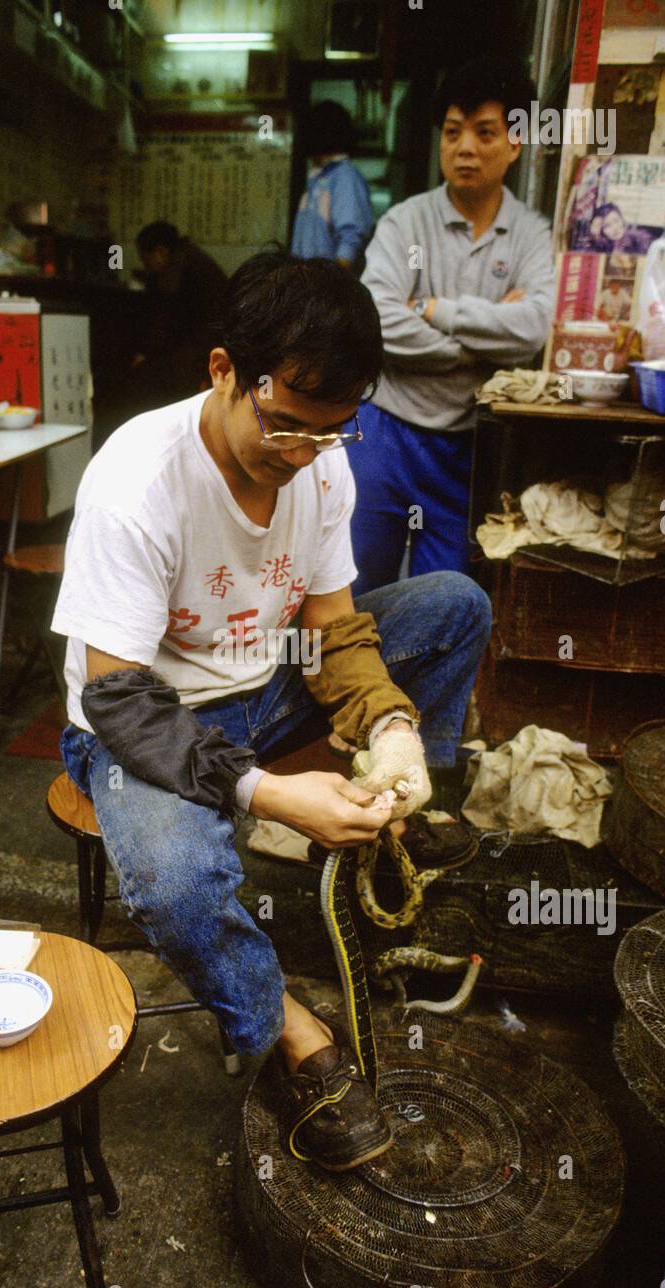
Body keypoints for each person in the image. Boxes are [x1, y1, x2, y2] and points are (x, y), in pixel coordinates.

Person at [51, 252, 491, 1172]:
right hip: (149, 718)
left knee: (453, 604)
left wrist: (390, 726)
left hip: (271, 683)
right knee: (172, 880)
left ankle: (404, 813)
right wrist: (270, 797)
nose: (303, 456)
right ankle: (287, 1029)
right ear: (224, 371)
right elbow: (115, 694)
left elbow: (333, 630)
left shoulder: (324, 465)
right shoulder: (136, 483)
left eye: (330, 434)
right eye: (286, 426)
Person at [348, 57, 555, 587]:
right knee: (354, 589)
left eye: (485, 132)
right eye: (453, 132)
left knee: (448, 595)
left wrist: (435, 309)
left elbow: (532, 328)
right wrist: (479, 347)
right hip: (383, 434)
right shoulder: (404, 222)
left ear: (515, 143)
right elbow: (376, 320)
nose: (465, 148)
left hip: (468, 444)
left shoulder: (531, 234)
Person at [131, 221, 228, 404]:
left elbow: (167, 318)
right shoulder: (188, 255)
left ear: (160, 251)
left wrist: (145, 353)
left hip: (204, 344)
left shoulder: (177, 266)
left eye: (146, 260)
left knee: (152, 376)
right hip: (211, 340)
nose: (146, 266)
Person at [290, 101, 375, 272]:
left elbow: (350, 239)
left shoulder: (345, 176)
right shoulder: (318, 177)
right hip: (307, 282)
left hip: (326, 288)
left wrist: (334, 288)